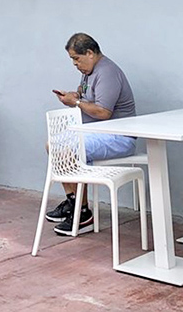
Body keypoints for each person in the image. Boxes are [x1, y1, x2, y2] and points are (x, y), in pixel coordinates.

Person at [47, 32, 136, 237]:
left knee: (67, 148)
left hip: (118, 137)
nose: (74, 64)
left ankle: (83, 213)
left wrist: (76, 103)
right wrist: (75, 95)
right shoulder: (90, 70)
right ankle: (73, 202)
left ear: (89, 53)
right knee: (52, 145)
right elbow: (85, 90)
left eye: (76, 59)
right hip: (96, 133)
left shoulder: (107, 73)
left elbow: (104, 113)